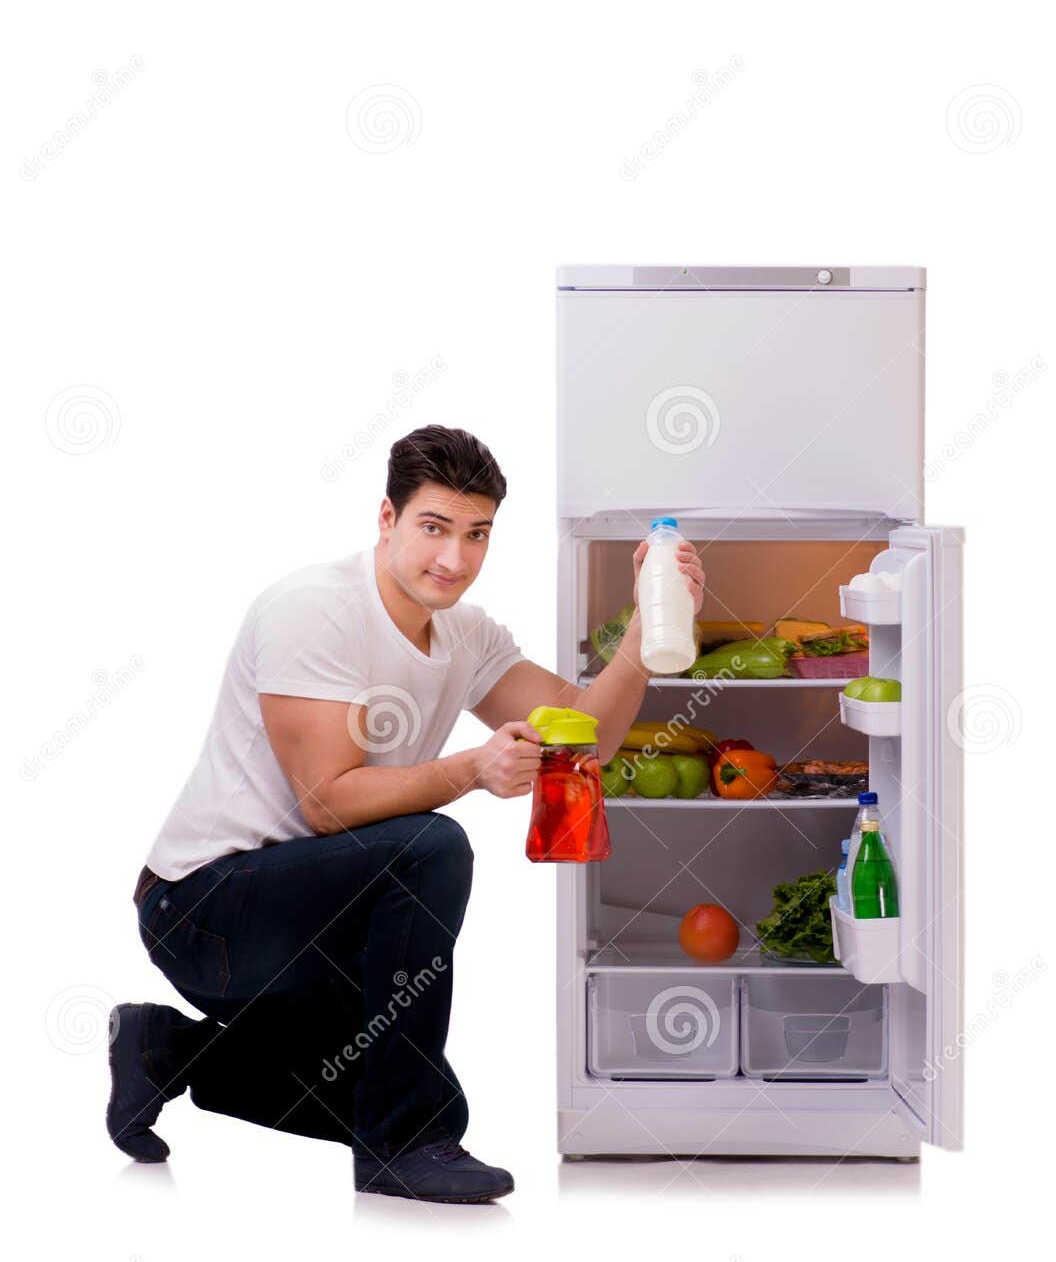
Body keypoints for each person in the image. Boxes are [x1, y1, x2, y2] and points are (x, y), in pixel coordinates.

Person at [107, 424, 705, 1202]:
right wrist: (471, 769)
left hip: (320, 933)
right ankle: (398, 1151)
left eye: (476, 534)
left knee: (423, 1095)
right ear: (387, 520)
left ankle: (169, 1052)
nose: (454, 559)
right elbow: (325, 804)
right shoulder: (314, 610)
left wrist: (644, 629)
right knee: (431, 847)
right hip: (204, 911)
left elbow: (589, 734)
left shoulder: (466, 635)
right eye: (433, 528)